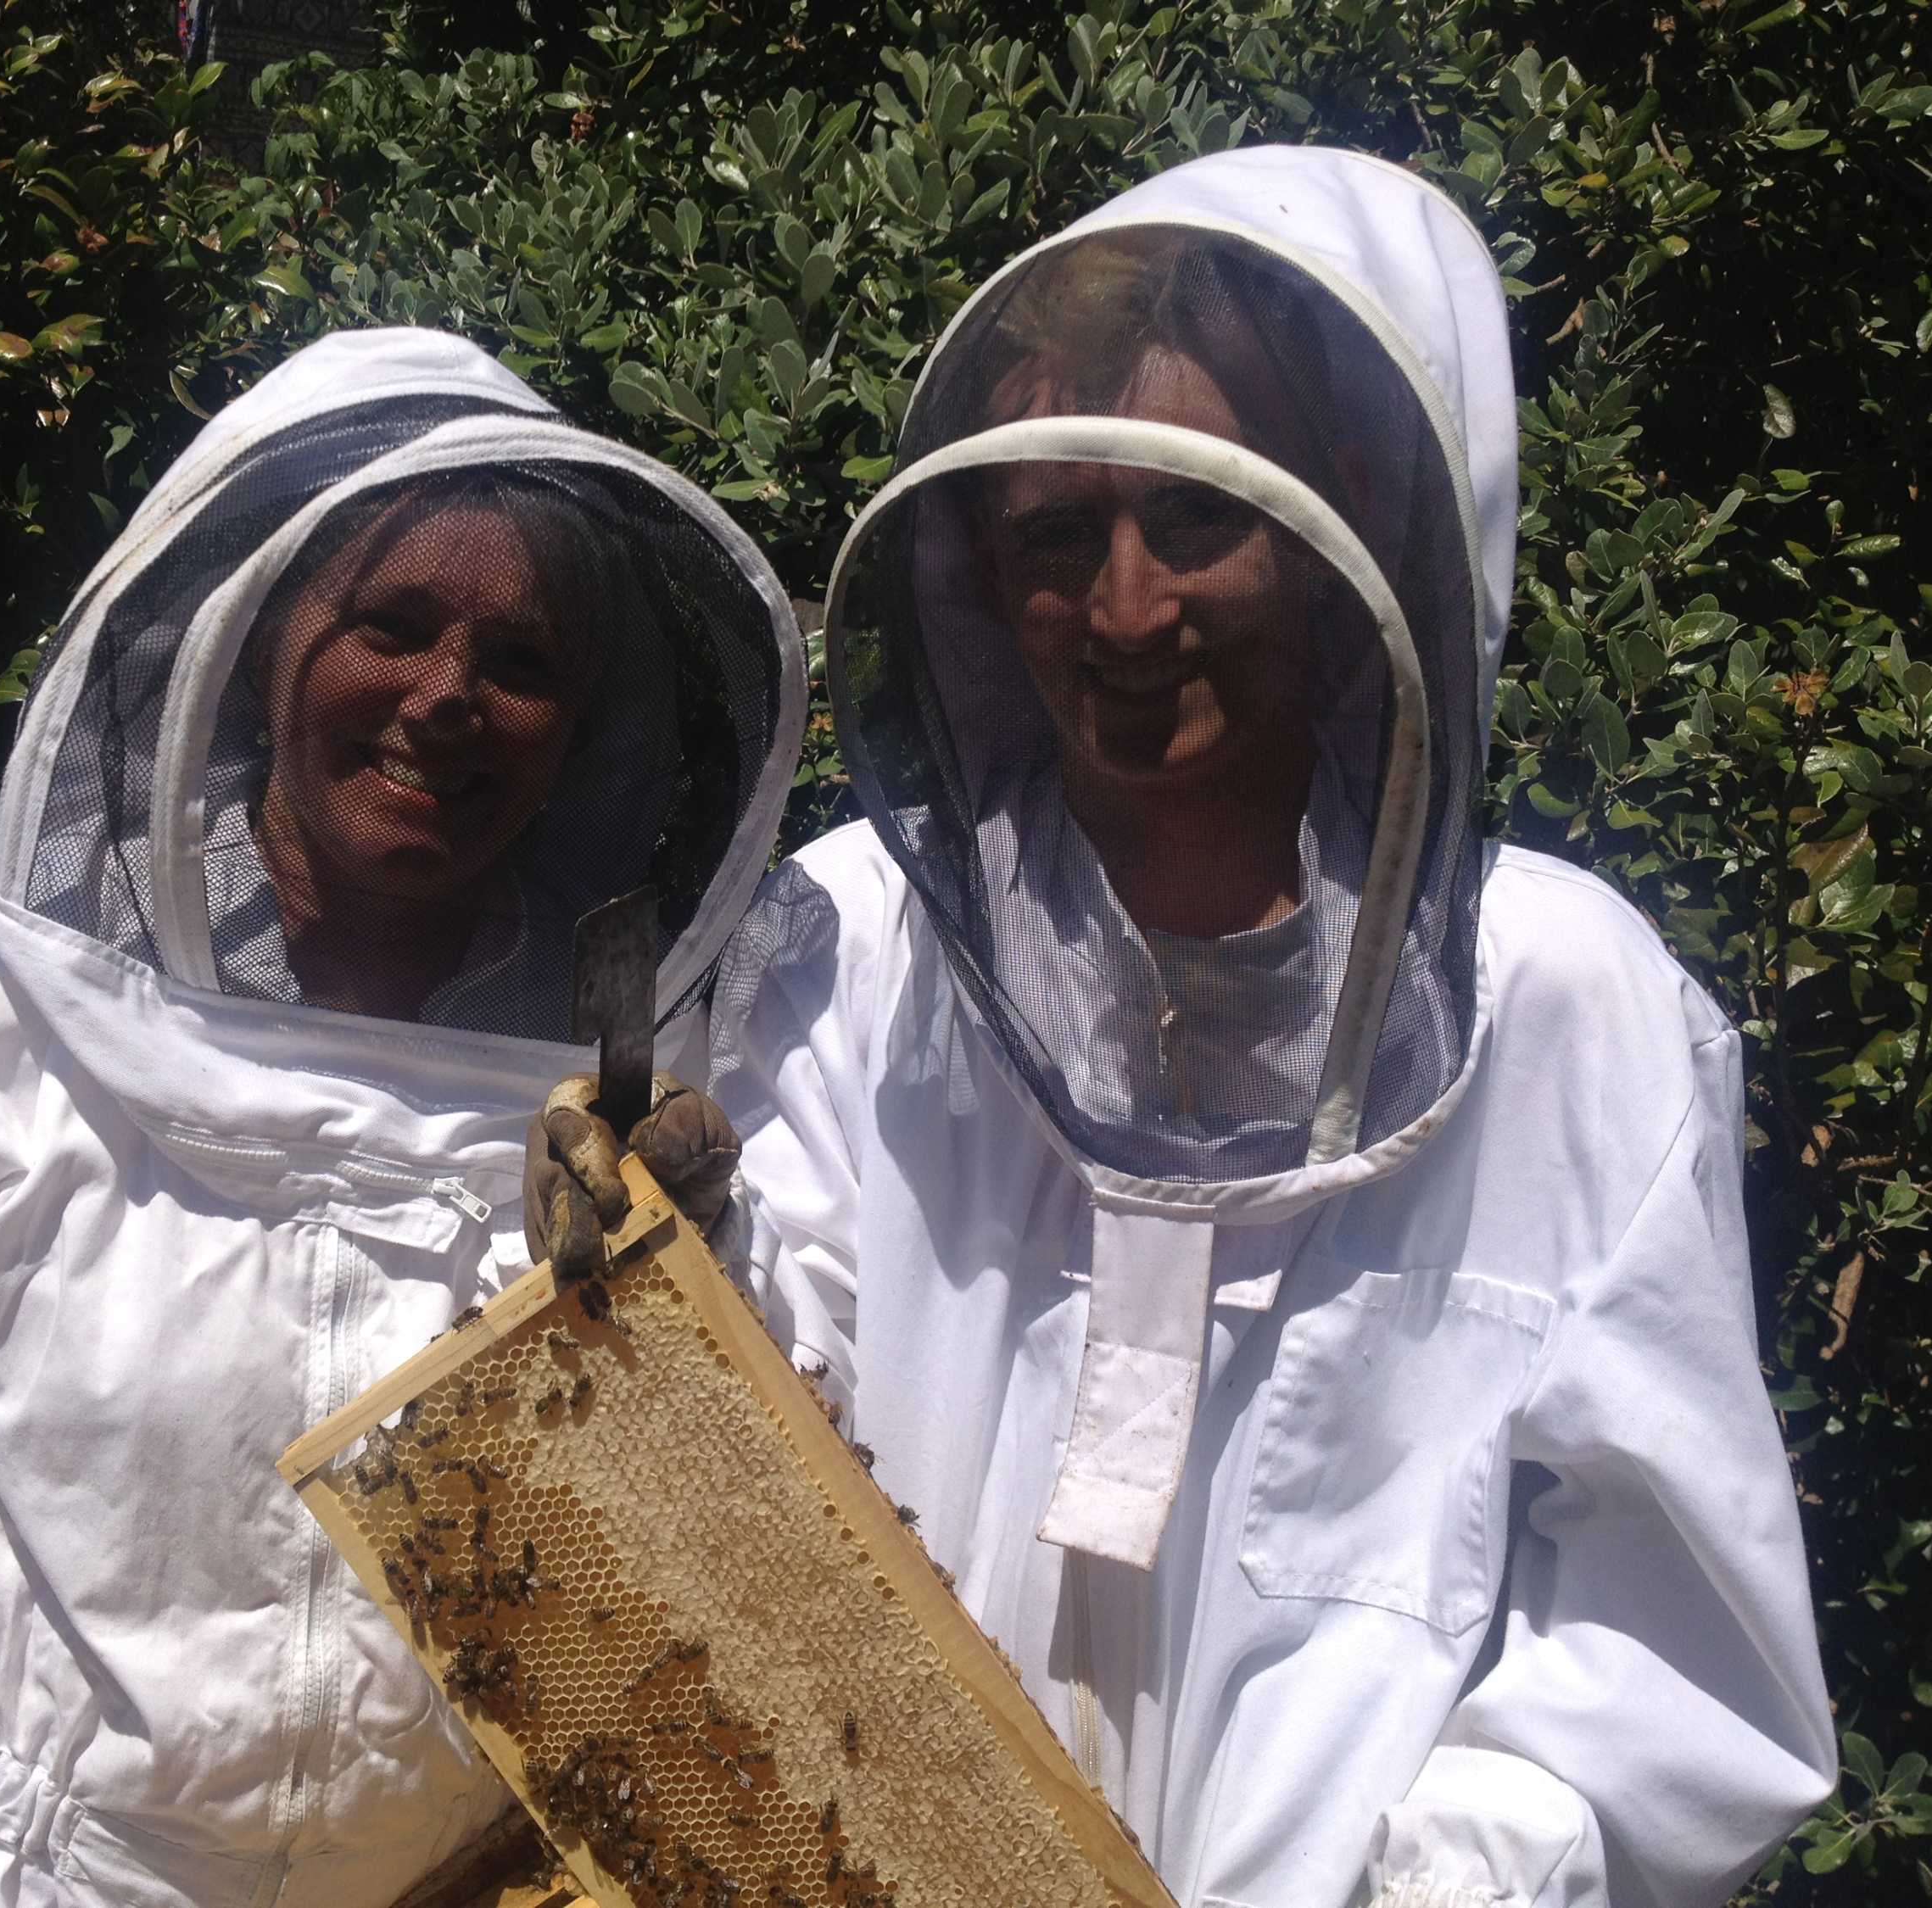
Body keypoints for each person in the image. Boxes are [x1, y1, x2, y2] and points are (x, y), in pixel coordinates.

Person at [692, 147, 1837, 1908]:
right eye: (1059, 538)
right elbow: (756, 1435)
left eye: (1202, 520)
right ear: (983, 572)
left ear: (1352, 527)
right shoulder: (854, 945)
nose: (1128, 611)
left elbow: (1670, 1653)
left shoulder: (1567, 1006)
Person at [0, 326, 806, 1907]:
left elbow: (734, 1505)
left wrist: (685, 1298)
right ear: (254, 637)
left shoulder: (640, 1054)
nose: (449, 698)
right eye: (392, 624)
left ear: (579, 728)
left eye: (522, 668)